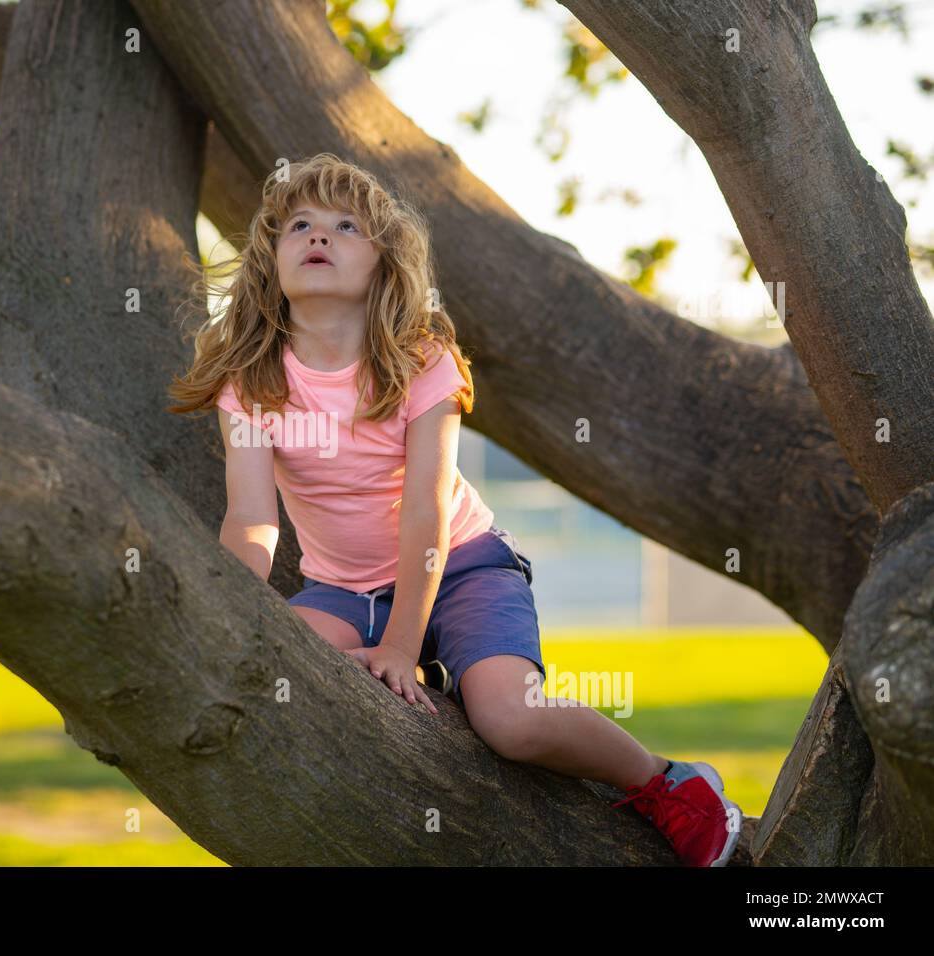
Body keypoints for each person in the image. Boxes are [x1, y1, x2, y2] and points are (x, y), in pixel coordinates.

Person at [167, 153, 742, 866]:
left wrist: (405, 644)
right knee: (280, 675)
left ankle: (668, 782)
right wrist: (227, 606)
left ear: (381, 263)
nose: (319, 234)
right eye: (298, 226)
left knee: (511, 721)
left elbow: (426, 512)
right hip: (345, 593)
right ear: (269, 263)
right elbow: (252, 520)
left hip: (463, 567)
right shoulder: (251, 384)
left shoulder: (420, 361)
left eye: (346, 225)